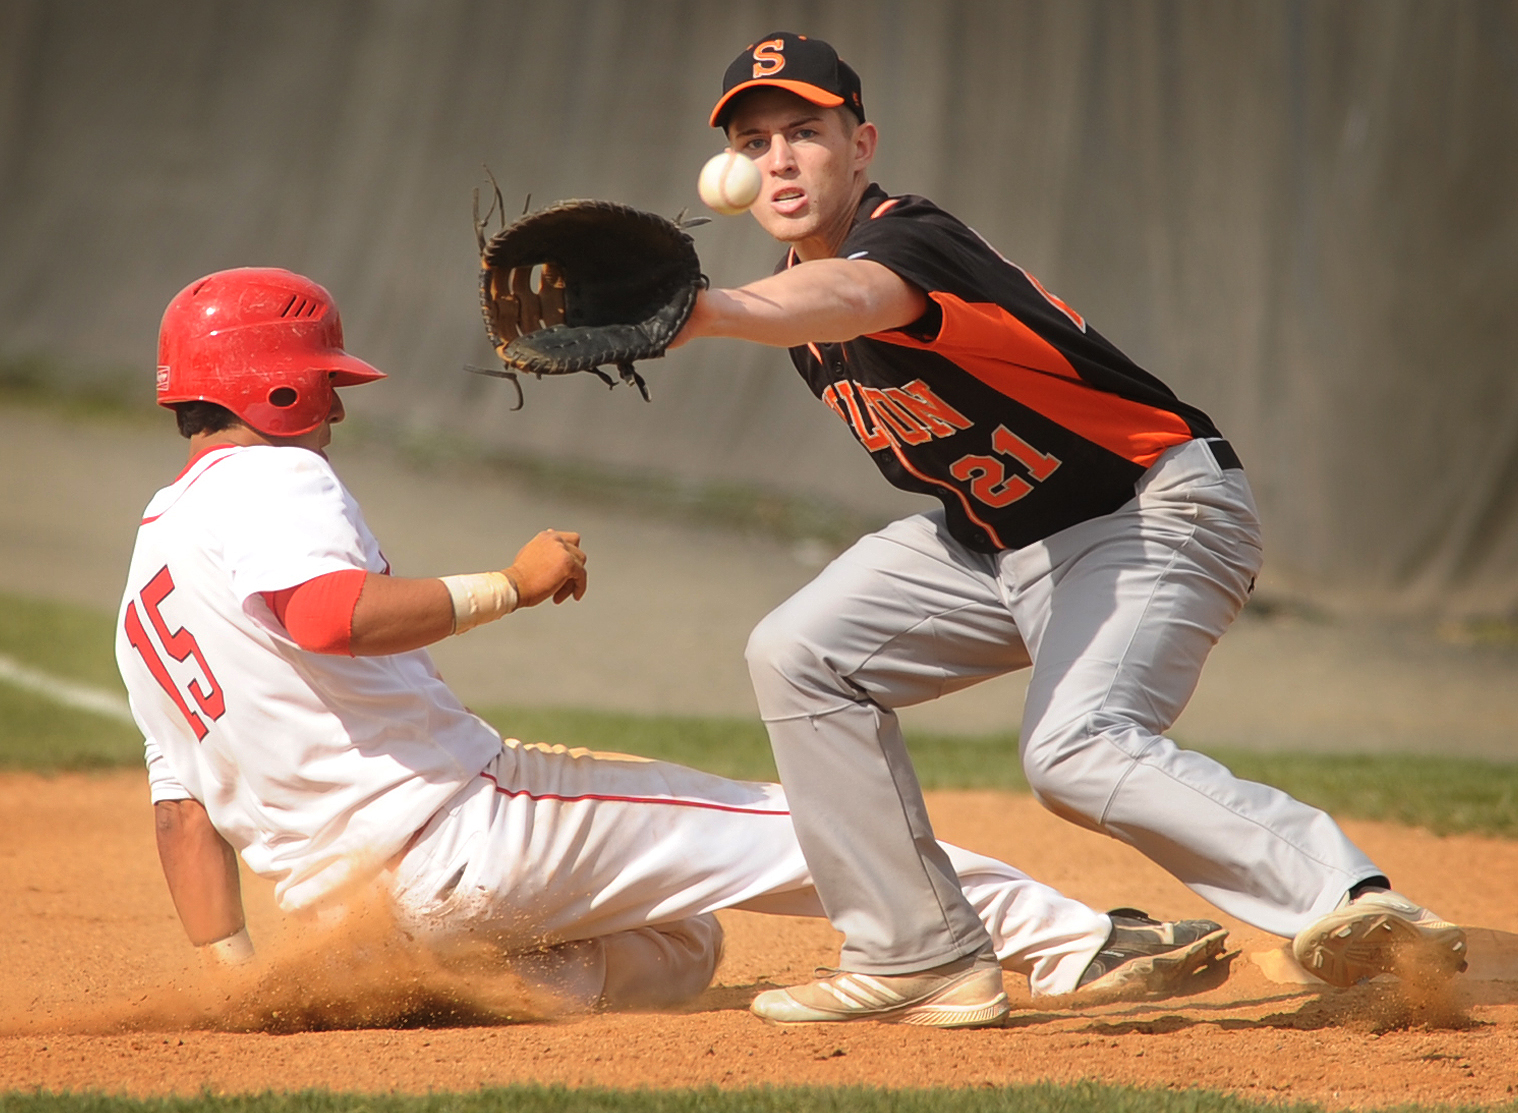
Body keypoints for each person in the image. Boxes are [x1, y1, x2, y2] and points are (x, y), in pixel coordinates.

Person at [116, 266, 1231, 1025]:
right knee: (814, 823)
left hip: (360, 902)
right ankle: (1075, 941)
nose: (336, 410)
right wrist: (511, 584)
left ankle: (434, 979)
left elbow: (182, 816)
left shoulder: (148, 575)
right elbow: (329, 618)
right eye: (325, 384)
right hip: (470, 834)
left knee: (684, 945)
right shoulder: (276, 476)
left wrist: (239, 982)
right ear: (278, 382)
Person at [669, 32, 1467, 1026]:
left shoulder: (906, 241)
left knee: (1076, 747)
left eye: (804, 131)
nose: (777, 158)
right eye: (753, 140)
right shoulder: (795, 319)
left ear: (862, 146)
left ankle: (1355, 903)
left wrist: (708, 308)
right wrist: (735, 307)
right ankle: (917, 955)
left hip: (1151, 509)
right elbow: (809, 312)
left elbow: (844, 295)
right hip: (1000, 541)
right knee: (799, 653)